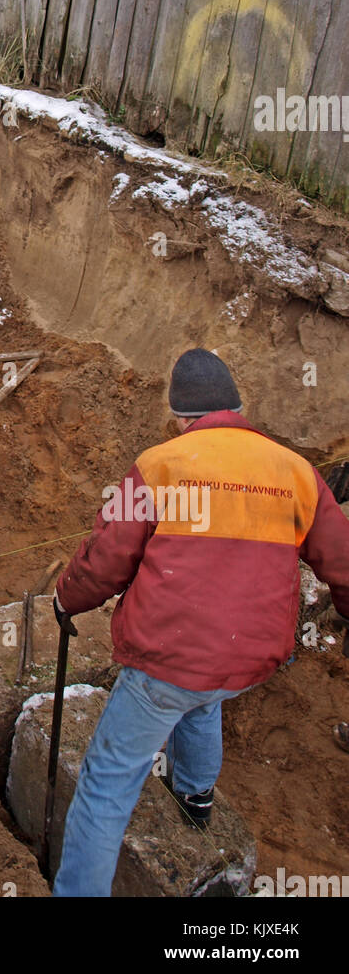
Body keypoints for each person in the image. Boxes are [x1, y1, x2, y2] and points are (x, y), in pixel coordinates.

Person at [51, 347, 349, 898]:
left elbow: (106, 559)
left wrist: (67, 600)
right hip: (251, 657)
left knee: (106, 784)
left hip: (170, 657)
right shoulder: (296, 473)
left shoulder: (160, 465)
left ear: (183, 418)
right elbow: (342, 559)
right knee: (205, 692)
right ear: (237, 408)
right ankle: (194, 793)